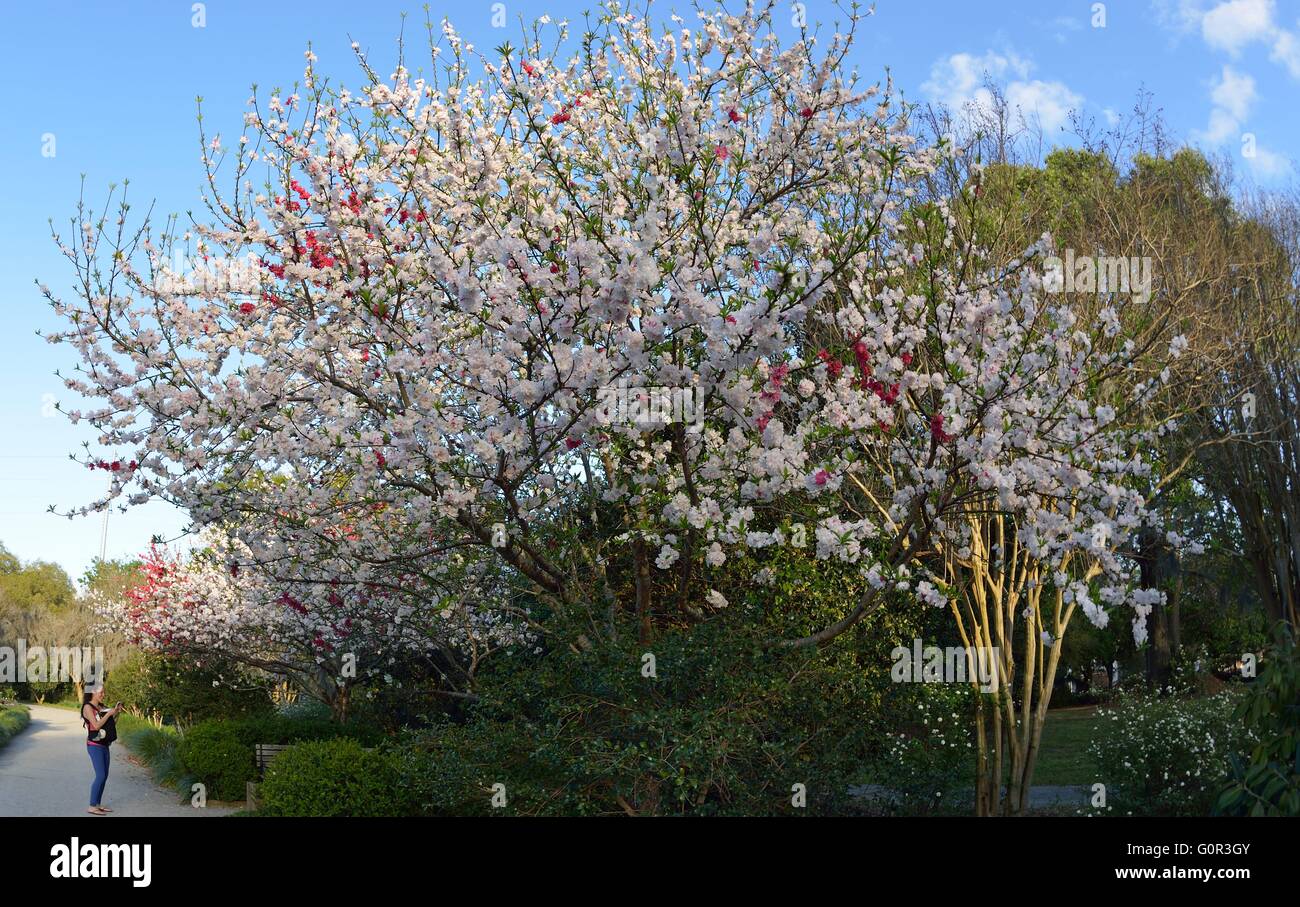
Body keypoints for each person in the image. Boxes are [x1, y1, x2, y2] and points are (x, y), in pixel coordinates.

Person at [81, 686, 120, 816]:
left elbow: (109, 724)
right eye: (101, 692)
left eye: (104, 691)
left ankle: (97, 804)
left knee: (104, 776)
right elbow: (96, 726)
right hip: (94, 745)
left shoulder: (101, 707)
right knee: (100, 775)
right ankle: (92, 805)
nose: (103, 694)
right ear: (93, 691)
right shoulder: (88, 707)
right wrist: (108, 713)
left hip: (104, 744)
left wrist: (116, 713)